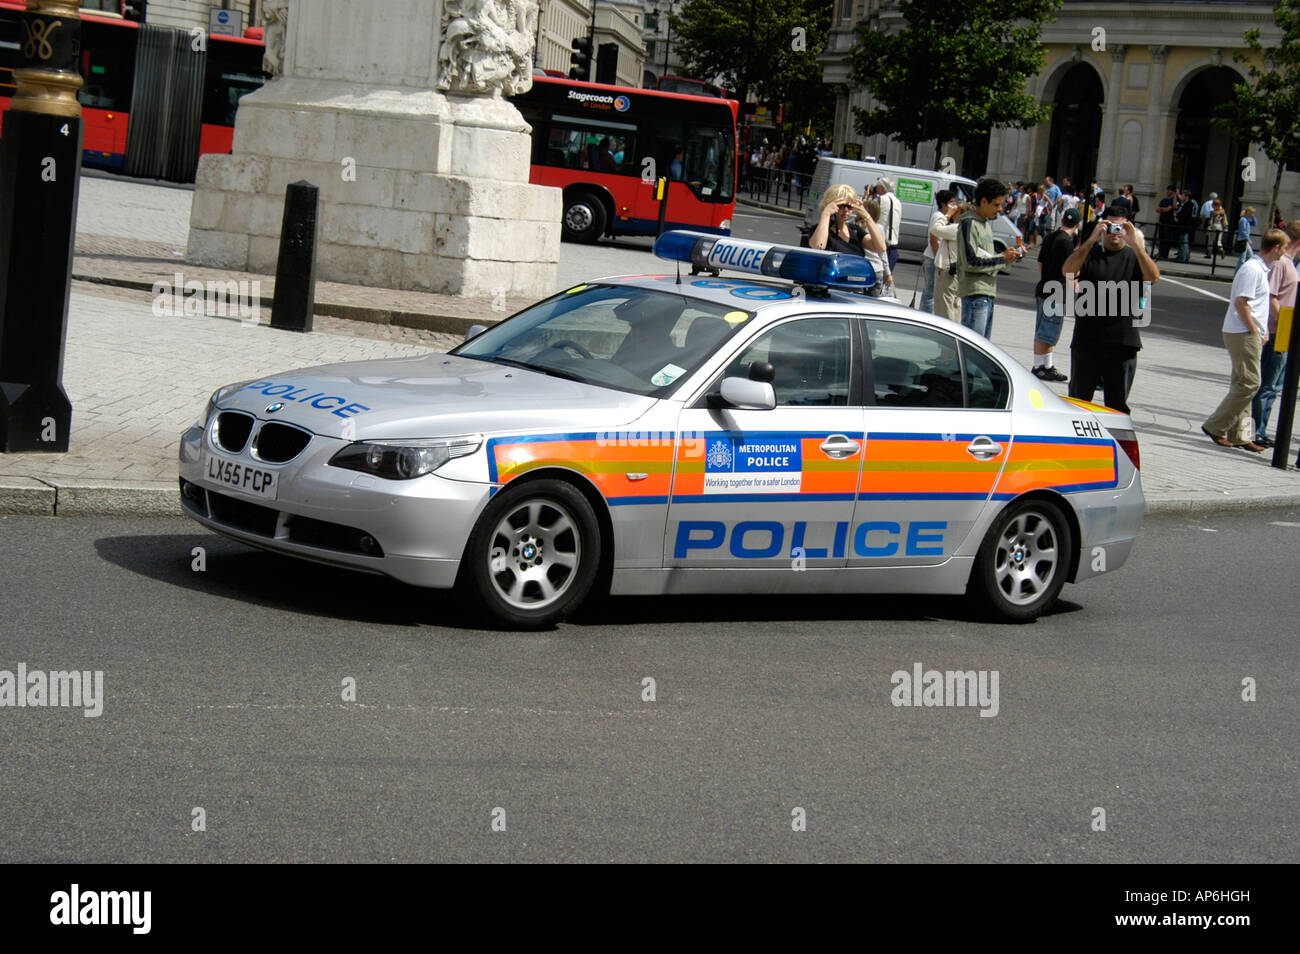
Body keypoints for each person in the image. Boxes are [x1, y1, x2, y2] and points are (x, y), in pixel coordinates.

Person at [1061, 205, 1161, 414]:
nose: (1115, 232)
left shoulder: (1135, 257)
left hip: (1122, 342)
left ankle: (1117, 443)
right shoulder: (1090, 253)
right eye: (1110, 226)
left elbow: (1152, 278)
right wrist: (1090, 240)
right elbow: (1068, 271)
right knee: (1078, 400)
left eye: (1121, 226)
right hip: (1087, 339)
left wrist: (1137, 245)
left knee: (1117, 405)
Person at [1202, 229, 1290, 451]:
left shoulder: (1260, 268)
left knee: (1243, 382)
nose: (1285, 253)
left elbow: (1254, 305)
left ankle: (1241, 435)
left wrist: (1261, 330)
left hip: (1247, 331)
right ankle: (1216, 425)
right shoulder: (1253, 269)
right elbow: (1242, 302)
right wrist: (1253, 329)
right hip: (1242, 331)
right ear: (1277, 248)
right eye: (1284, 248)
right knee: (1251, 383)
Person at [956, 177, 1025, 339]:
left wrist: (1007, 258)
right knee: (974, 349)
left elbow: (986, 258)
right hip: (975, 293)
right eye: (996, 205)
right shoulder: (969, 223)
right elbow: (971, 261)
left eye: (1001, 204)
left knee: (983, 348)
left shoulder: (984, 223)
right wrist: (1002, 258)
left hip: (987, 291)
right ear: (984, 201)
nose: (1000, 209)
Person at [1251, 223, 1300, 446]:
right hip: (1279, 329)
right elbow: (1272, 297)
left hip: (1286, 330)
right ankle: (1256, 429)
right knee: (1269, 383)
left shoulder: (1291, 264)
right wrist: (1283, 323)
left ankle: (1261, 428)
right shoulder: (1282, 265)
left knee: (1276, 384)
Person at [1031, 207, 1082, 382]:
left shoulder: (1050, 236)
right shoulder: (1067, 242)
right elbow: (1069, 269)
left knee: (1045, 328)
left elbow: (1040, 262)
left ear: (1062, 221)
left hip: (1044, 286)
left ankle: (1046, 365)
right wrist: (1075, 284)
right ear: (1077, 224)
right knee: (1048, 330)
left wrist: (1047, 277)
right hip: (1057, 290)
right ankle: (1039, 366)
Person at [809, 182, 887, 260]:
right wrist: (825, 214)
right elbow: (818, 247)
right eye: (841, 206)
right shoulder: (820, 230)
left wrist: (866, 216)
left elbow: (880, 248)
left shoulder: (855, 230)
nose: (846, 210)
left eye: (849, 206)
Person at [920, 188, 955, 314]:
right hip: (932, 257)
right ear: (943, 204)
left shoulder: (942, 217)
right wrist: (937, 258)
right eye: (951, 202)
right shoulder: (939, 216)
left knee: (931, 290)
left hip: (932, 256)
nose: (954, 205)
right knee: (930, 290)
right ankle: (925, 315)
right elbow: (933, 238)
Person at [930, 195, 964, 321]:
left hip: (947, 273)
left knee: (945, 310)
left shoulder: (957, 228)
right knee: (954, 306)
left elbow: (935, 229)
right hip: (957, 272)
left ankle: (949, 336)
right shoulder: (966, 228)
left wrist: (948, 215)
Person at [861, 198, 896, 298]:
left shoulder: (857, 226)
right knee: (874, 302)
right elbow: (883, 253)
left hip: (863, 268)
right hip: (877, 269)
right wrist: (888, 273)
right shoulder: (879, 228)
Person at [874, 177, 903, 272]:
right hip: (893, 247)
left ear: (882, 188)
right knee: (886, 280)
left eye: (877, 187)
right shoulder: (898, 201)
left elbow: (867, 215)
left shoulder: (880, 200)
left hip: (881, 246)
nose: (876, 189)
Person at [1176, 189, 1198, 263]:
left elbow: (1185, 215)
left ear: (1186, 196)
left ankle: (1183, 257)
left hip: (1185, 226)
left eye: (1183, 195)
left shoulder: (1188, 205)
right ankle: (1185, 256)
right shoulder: (1185, 204)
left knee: (1184, 242)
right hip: (1183, 225)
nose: (1181, 197)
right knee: (1184, 242)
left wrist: (1177, 214)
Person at [1156, 186, 1177, 259]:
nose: (1167, 191)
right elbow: (1158, 209)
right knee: (1161, 238)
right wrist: (1165, 209)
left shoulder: (1173, 200)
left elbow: (1174, 207)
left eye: (1169, 190)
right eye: (1167, 190)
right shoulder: (1164, 200)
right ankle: (1160, 253)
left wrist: (1175, 196)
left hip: (1169, 222)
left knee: (1167, 238)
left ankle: (1165, 254)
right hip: (1162, 221)